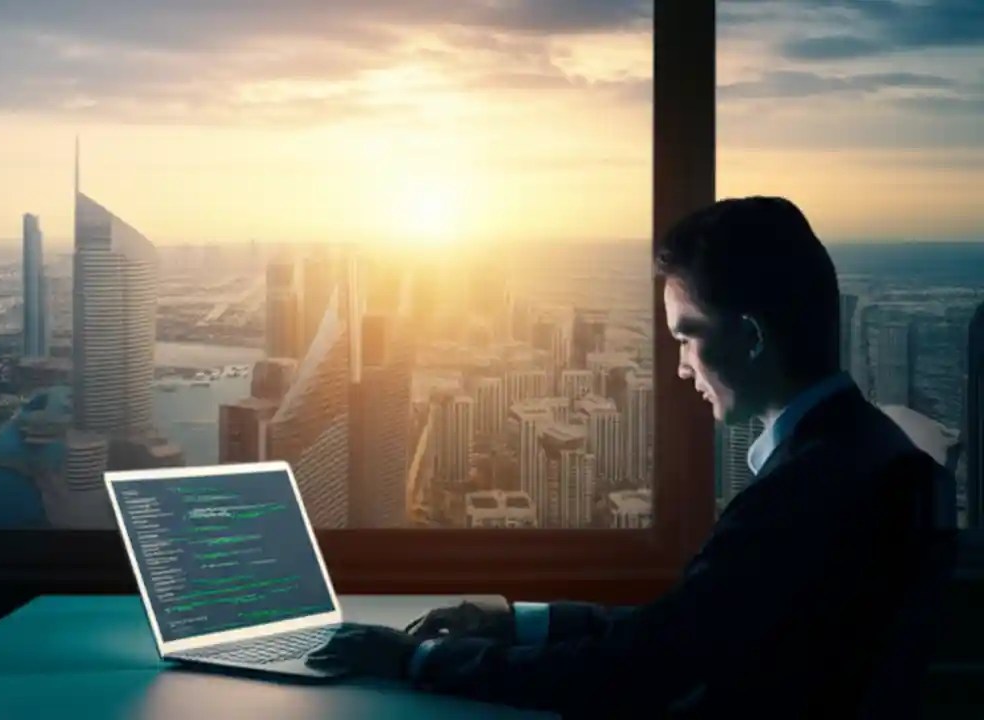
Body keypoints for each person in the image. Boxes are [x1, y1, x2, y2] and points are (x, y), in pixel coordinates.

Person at [306, 197, 958, 717]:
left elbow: (644, 666)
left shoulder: (803, 493)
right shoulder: (867, 451)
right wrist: (516, 622)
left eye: (687, 337)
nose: (680, 368)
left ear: (752, 337)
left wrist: (416, 662)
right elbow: (683, 629)